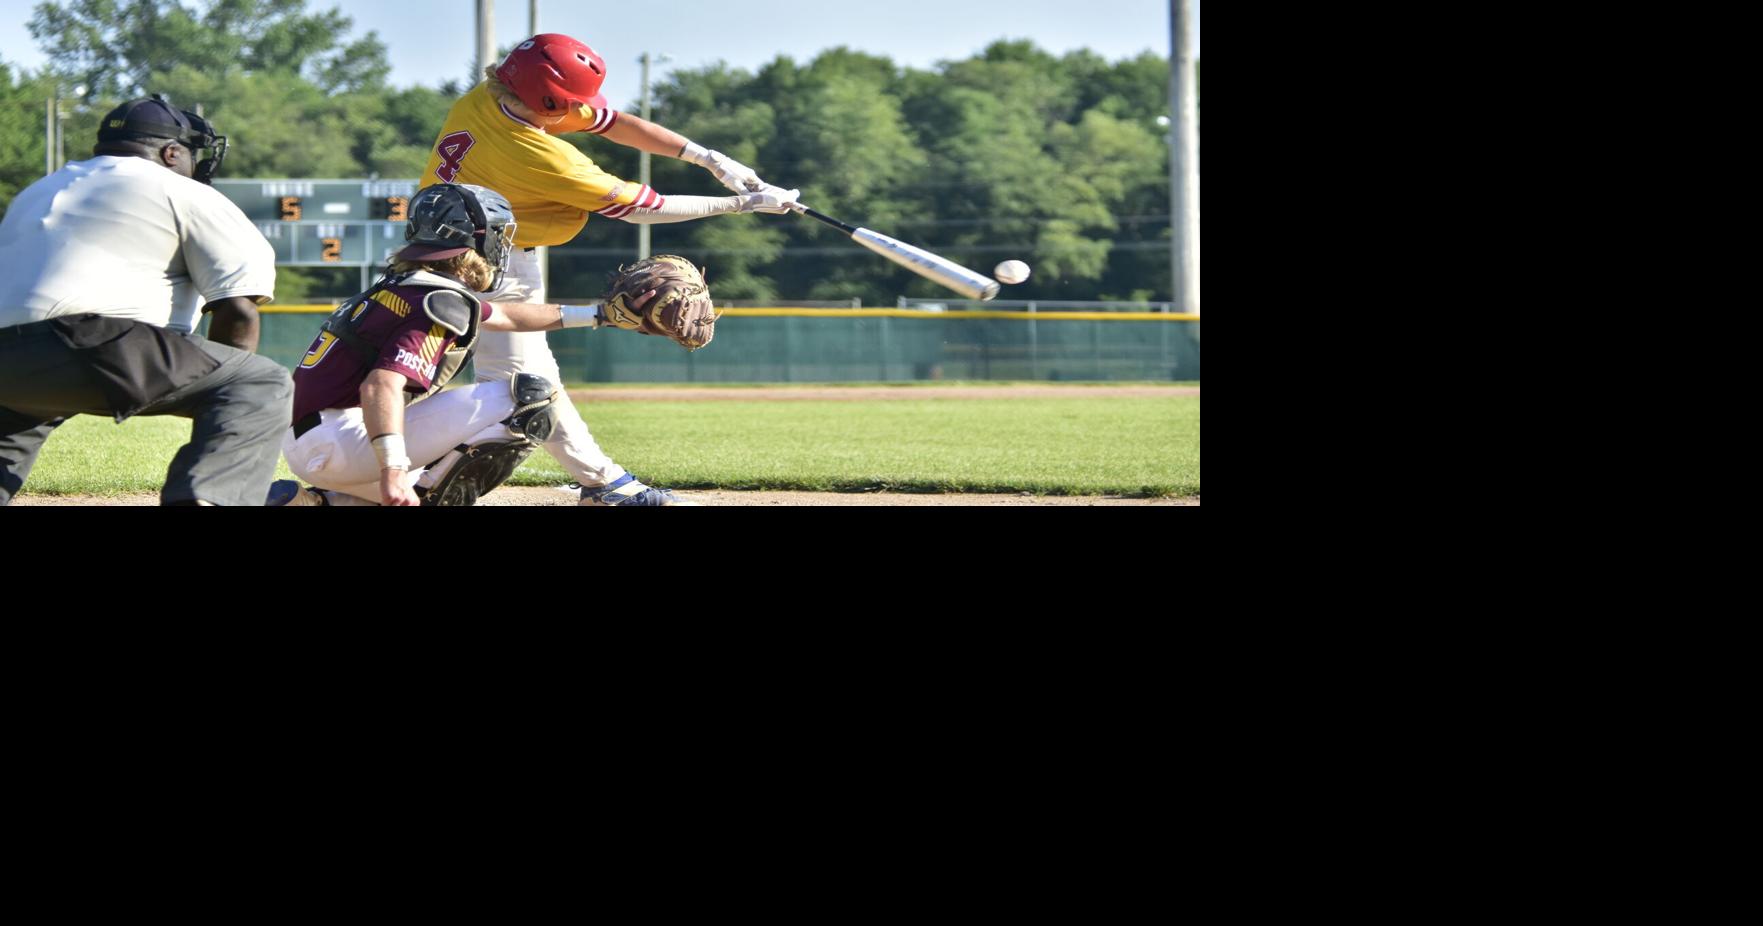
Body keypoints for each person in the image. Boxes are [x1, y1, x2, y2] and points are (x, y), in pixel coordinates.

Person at [420, 33, 801, 506]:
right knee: (525, 384)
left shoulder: (490, 97)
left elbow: (614, 122)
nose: (580, 109)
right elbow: (646, 207)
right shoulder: (541, 155)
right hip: (490, 266)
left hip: (439, 249)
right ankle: (602, 484)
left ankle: (598, 482)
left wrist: (709, 158)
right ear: (547, 101)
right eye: (568, 103)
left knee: (481, 377)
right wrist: (743, 203)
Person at [270, 182, 647, 507]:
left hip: (312, 444)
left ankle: (320, 500)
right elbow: (380, 385)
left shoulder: (407, 287)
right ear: (473, 242)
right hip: (346, 441)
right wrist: (394, 470)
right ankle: (423, 493)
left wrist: (602, 315)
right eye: (497, 234)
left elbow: (509, 317)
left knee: (426, 460)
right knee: (532, 395)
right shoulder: (440, 301)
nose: (501, 244)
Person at [0, 95, 291, 506]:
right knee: (263, 381)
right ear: (172, 153)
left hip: (7, 357)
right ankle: (205, 500)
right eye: (189, 153)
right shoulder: (181, 190)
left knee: (14, 421)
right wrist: (211, 393)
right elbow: (238, 308)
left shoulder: (37, 191)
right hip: (99, 345)